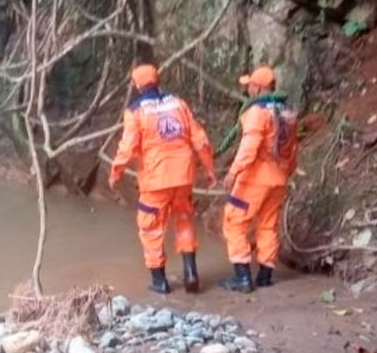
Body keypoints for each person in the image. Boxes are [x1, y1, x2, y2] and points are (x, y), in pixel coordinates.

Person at [109, 64, 216, 294]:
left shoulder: (135, 111)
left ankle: (159, 281)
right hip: (183, 175)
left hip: (155, 179)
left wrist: (116, 171)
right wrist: (209, 169)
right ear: (157, 81)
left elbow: (128, 146)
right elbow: (200, 139)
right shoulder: (179, 103)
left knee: (150, 228)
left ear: (137, 85)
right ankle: (190, 273)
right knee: (184, 220)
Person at [220, 66, 298, 293]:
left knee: (234, 222)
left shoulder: (256, 113)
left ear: (259, 87)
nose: (249, 89)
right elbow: (293, 149)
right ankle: (265, 275)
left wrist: (234, 172)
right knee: (268, 224)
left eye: (250, 85)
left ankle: (243, 278)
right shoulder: (287, 112)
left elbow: (250, 146)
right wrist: (287, 172)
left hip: (255, 179)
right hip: (279, 178)